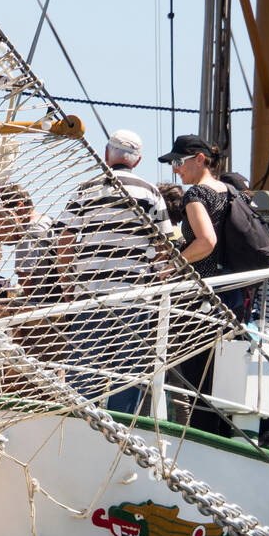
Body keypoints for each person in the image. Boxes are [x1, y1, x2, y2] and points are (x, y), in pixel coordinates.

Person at [56, 129, 172, 415]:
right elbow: (163, 247)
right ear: (138, 160)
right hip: (134, 298)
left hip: (90, 297)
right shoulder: (151, 193)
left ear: (107, 154)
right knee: (127, 377)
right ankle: (121, 431)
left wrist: (67, 283)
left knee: (83, 373)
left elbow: (64, 241)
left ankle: (82, 425)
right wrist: (158, 278)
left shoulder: (86, 189)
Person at [156, 134, 233, 432]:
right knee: (216, 378)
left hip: (198, 297)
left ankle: (197, 436)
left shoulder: (196, 194)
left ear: (200, 159)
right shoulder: (230, 191)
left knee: (193, 373)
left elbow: (205, 241)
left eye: (178, 161)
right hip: (226, 295)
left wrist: (172, 266)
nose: (176, 170)